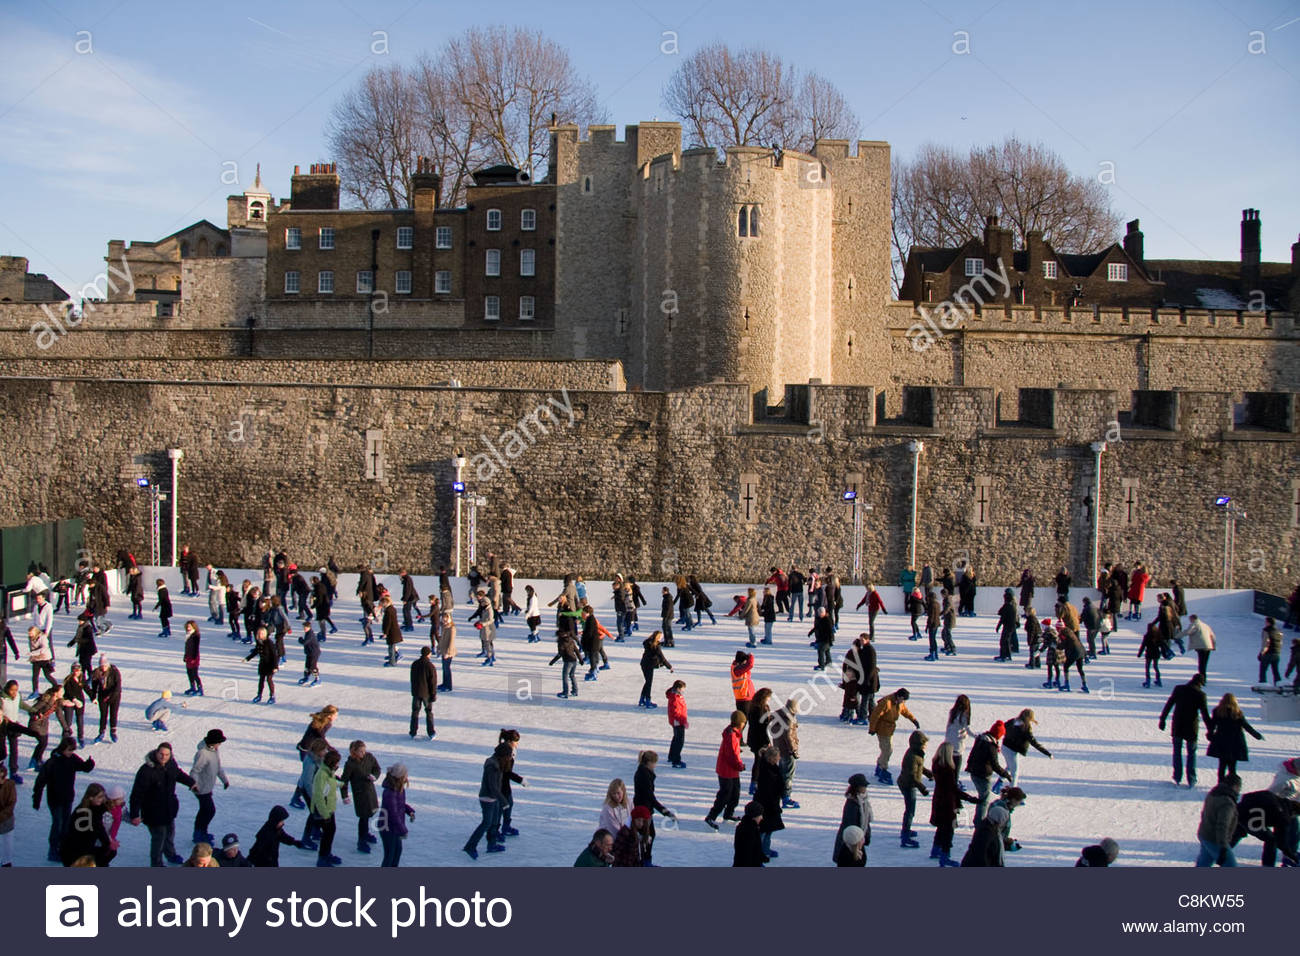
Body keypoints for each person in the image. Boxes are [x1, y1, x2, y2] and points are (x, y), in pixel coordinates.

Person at [129, 742, 198, 866]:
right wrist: (134, 814)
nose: (163, 757)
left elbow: (178, 774)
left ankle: (171, 855)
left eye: (166, 754)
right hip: (153, 812)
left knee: (169, 834)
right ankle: (156, 863)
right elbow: (136, 794)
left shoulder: (171, 764)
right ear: (156, 753)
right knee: (159, 839)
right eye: (161, 754)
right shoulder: (146, 770)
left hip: (168, 809)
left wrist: (191, 782)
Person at [33, 736, 95, 862]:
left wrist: (89, 764)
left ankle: (62, 847)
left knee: (66, 824)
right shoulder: (52, 762)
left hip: (67, 798)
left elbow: (83, 767)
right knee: (58, 823)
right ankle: (53, 850)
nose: (71, 753)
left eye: (72, 751)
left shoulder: (72, 759)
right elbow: (40, 781)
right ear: (63, 749)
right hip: (55, 799)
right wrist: (37, 798)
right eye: (69, 750)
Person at [1158, 673, 1212, 788]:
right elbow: (1205, 715)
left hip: (1178, 725)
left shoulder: (1179, 689)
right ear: (1201, 683)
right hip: (1191, 728)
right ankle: (1191, 779)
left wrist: (1162, 719)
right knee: (1191, 754)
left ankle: (1177, 777)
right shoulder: (1200, 695)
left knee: (1177, 752)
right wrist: (1210, 730)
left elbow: (1169, 704)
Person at [929, 741, 977, 866]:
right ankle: (945, 856)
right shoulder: (948, 770)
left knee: (941, 827)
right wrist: (970, 798)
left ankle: (935, 850)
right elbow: (954, 789)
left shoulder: (936, 765)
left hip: (939, 800)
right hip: (948, 804)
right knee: (948, 830)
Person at [464, 742, 511, 859]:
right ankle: (470, 846)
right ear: (503, 755)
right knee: (486, 823)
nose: (510, 758)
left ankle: (492, 844)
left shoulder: (497, 762)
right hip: (487, 798)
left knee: (494, 822)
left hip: (493, 798)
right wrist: (504, 801)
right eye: (509, 755)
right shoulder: (492, 766)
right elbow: (492, 787)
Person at [1234, 789, 1300, 867]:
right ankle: (1268, 866)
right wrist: (1291, 855)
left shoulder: (1273, 796)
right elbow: (1281, 842)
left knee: (1235, 836)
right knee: (1271, 840)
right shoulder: (1284, 817)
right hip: (1251, 821)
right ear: (1294, 813)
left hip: (1237, 811)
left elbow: (1246, 796)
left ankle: (1219, 853)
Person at [1206, 693, 1264, 781]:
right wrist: (1257, 735)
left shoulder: (1217, 711)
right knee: (1232, 766)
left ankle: (1220, 784)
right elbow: (1246, 726)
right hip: (1235, 742)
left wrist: (1210, 736)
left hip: (1221, 740)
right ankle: (1231, 785)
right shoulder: (1237, 712)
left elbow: (1212, 726)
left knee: (1222, 765)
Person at [704, 710, 746, 829]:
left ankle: (728, 814)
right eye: (743, 723)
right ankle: (711, 816)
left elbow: (733, 751)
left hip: (732, 770)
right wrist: (740, 766)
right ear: (739, 723)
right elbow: (731, 755)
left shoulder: (734, 733)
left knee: (735, 794)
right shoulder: (732, 735)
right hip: (726, 770)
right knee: (724, 795)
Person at [868, 688, 918, 785]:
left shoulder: (899, 702)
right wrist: (872, 728)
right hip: (882, 729)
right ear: (899, 696)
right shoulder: (886, 702)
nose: (903, 702)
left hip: (890, 729)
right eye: (903, 700)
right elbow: (875, 715)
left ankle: (879, 766)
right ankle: (883, 768)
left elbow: (905, 711)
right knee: (887, 750)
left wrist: (914, 720)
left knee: (886, 749)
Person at [966, 721, 1011, 824]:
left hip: (975, 771)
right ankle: (979, 822)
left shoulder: (982, 739)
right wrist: (1006, 774)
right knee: (984, 799)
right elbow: (995, 765)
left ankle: (978, 820)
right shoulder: (991, 746)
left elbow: (972, 754)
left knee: (983, 797)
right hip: (982, 774)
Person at [189, 728, 229, 845]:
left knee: (206, 811)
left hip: (207, 787)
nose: (220, 745)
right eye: (219, 742)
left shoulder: (214, 751)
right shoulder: (202, 753)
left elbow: (218, 767)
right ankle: (198, 834)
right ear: (212, 742)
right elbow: (195, 771)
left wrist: (224, 780)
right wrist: (194, 784)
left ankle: (201, 832)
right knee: (209, 810)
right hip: (200, 788)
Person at [60, 782, 115, 867]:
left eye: (103, 796)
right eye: (100, 797)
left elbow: (99, 828)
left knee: (110, 852)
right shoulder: (83, 813)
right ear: (90, 797)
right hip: (76, 851)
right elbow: (89, 834)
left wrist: (107, 843)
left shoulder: (97, 809)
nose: (102, 799)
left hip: (85, 849)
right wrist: (106, 844)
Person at [340, 739, 381, 853]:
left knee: (369, 814)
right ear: (354, 752)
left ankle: (366, 833)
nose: (364, 753)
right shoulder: (350, 764)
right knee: (363, 817)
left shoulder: (369, 757)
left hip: (370, 791)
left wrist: (374, 776)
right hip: (360, 794)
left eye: (364, 750)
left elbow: (377, 768)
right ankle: (361, 840)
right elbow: (344, 781)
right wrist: (345, 796)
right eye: (361, 751)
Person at [1195, 773, 1241, 867]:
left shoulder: (1213, 793)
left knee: (1203, 864)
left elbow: (1204, 814)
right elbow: (1222, 825)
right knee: (1231, 866)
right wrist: (1223, 847)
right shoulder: (1227, 803)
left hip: (1204, 834)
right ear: (1235, 787)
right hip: (1215, 840)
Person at [309, 748, 345, 867]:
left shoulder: (329, 772)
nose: (338, 765)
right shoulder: (322, 774)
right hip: (323, 810)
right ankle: (322, 858)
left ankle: (326, 854)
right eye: (337, 763)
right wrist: (324, 814)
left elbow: (332, 782)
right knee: (327, 833)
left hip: (329, 808)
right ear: (332, 763)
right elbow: (318, 796)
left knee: (330, 832)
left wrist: (341, 784)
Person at [898, 729, 932, 848]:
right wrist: (923, 789)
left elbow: (920, 766)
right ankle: (905, 836)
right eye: (924, 743)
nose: (926, 746)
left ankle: (905, 830)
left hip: (908, 783)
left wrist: (928, 774)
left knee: (910, 810)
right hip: (908, 785)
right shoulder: (913, 756)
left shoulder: (916, 753)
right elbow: (912, 776)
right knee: (910, 810)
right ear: (919, 744)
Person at [1001, 709, 1052, 788]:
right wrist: (1047, 753)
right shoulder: (1025, 728)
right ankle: (1013, 792)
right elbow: (1033, 742)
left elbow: (1001, 728)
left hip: (1004, 747)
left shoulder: (1012, 721)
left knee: (1009, 766)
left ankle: (998, 783)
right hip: (1012, 751)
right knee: (1015, 773)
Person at [832, 773, 872, 865]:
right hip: (852, 840)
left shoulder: (863, 801)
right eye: (864, 786)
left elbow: (866, 821)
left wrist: (865, 836)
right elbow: (850, 826)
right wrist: (856, 841)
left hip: (858, 839)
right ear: (857, 787)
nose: (866, 788)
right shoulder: (852, 804)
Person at [633, 750, 676, 833]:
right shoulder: (644, 776)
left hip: (644, 807)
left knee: (650, 834)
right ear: (649, 762)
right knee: (647, 834)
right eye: (654, 763)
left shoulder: (645, 773)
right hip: (643, 809)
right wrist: (666, 812)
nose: (655, 765)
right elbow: (651, 797)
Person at [90, 655, 121, 744]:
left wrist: (111, 696)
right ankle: (101, 733)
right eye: (102, 666)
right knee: (103, 715)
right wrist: (93, 697)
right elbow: (94, 687)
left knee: (113, 714)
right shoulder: (96, 672)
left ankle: (113, 732)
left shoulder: (114, 671)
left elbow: (117, 687)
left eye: (105, 666)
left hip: (114, 696)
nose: (103, 668)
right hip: (102, 697)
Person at [637, 630, 672, 708]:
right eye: (661, 637)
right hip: (649, 665)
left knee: (647, 682)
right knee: (648, 683)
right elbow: (662, 657)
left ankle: (642, 699)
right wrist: (669, 667)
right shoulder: (656, 646)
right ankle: (647, 701)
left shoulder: (648, 643)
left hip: (643, 664)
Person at [409, 646, 438, 739]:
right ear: (428, 654)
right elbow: (433, 682)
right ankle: (431, 732)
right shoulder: (430, 666)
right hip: (426, 694)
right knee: (429, 712)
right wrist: (433, 695)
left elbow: (412, 678)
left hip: (416, 692)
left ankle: (413, 732)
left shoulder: (415, 664)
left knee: (415, 712)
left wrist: (413, 690)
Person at [244, 627, 278, 704]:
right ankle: (259, 695)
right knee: (261, 680)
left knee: (269, 680)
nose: (260, 635)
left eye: (262, 633)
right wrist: (247, 658)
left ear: (265, 634)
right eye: (259, 633)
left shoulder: (269, 643)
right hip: (263, 664)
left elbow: (274, 655)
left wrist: (275, 666)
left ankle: (272, 696)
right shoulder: (259, 642)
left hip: (270, 665)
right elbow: (255, 651)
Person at [733, 799, 766, 866]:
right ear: (754, 817)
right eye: (760, 815)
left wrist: (761, 857)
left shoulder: (750, 826)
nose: (762, 818)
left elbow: (756, 847)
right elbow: (746, 853)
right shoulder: (749, 831)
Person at [944, 694, 974, 765]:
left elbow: (948, 727)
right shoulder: (964, 715)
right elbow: (968, 730)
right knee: (956, 771)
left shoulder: (952, 712)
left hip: (948, 743)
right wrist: (977, 736)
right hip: (957, 746)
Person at [666, 680, 689, 768]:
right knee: (679, 741)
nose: (684, 690)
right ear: (678, 688)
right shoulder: (675, 698)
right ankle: (676, 760)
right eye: (683, 689)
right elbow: (676, 713)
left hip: (676, 721)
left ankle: (671, 756)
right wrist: (683, 722)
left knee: (676, 738)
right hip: (678, 722)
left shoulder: (676, 696)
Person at [1137, 621, 1166, 688]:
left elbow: (1143, 646)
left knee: (1147, 667)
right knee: (1156, 666)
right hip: (1156, 653)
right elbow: (1162, 646)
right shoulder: (1159, 636)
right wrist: (1164, 654)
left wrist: (1139, 653)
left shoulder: (1147, 636)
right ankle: (1158, 680)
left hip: (1149, 653)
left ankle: (1148, 681)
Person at [994, 589, 1019, 662]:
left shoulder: (1007, 606)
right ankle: (1007, 655)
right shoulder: (1012, 605)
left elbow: (1002, 616)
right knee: (1007, 641)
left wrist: (998, 626)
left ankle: (1004, 655)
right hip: (1011, 626)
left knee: (1004, 641)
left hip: (1008, 626)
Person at [181, 621, 203, 697]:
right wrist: (185, 656)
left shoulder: (196, 635)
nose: (188, 628)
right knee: (189, 673)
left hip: (194, 657)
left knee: (195, 673)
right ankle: (192, 687)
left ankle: (200, 689)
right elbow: (187, 647)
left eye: (190, 626)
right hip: (189, 657)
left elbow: (196, 647)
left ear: (193, 627)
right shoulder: (187, 635)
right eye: (187, 626)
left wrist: (194, 657)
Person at [1259, 617, 1284, 684]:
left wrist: (1261, 653)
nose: (1265, 623)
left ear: (1269, 622)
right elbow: (1281, 642)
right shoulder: (1279, 631)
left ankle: (1263, 684)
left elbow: (1266, 643)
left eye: (1266, 622)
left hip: (1268, 653)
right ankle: (1278, 683)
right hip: (1277, 653)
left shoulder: (1266, 630)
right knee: (1275, 670)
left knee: (1263, 670)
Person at [437, 612, 456, 692]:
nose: (444, 620)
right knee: (444, 668)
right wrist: (439, 648)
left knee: (446, 668)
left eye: (446, 618)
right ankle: (444, 683)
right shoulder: (444, 627)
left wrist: (448, 653)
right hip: (443, 650)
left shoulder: (452, 628)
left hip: (448, 652)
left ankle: (448, 685)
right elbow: (441, 639)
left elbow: (451, 641)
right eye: (443, 619)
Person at [0, 765, 14, 866]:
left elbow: (11, 803)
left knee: (7, 842)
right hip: (5, 817)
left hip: (6, 818)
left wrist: (2, 815)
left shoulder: (9, 785)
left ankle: (6, 862)